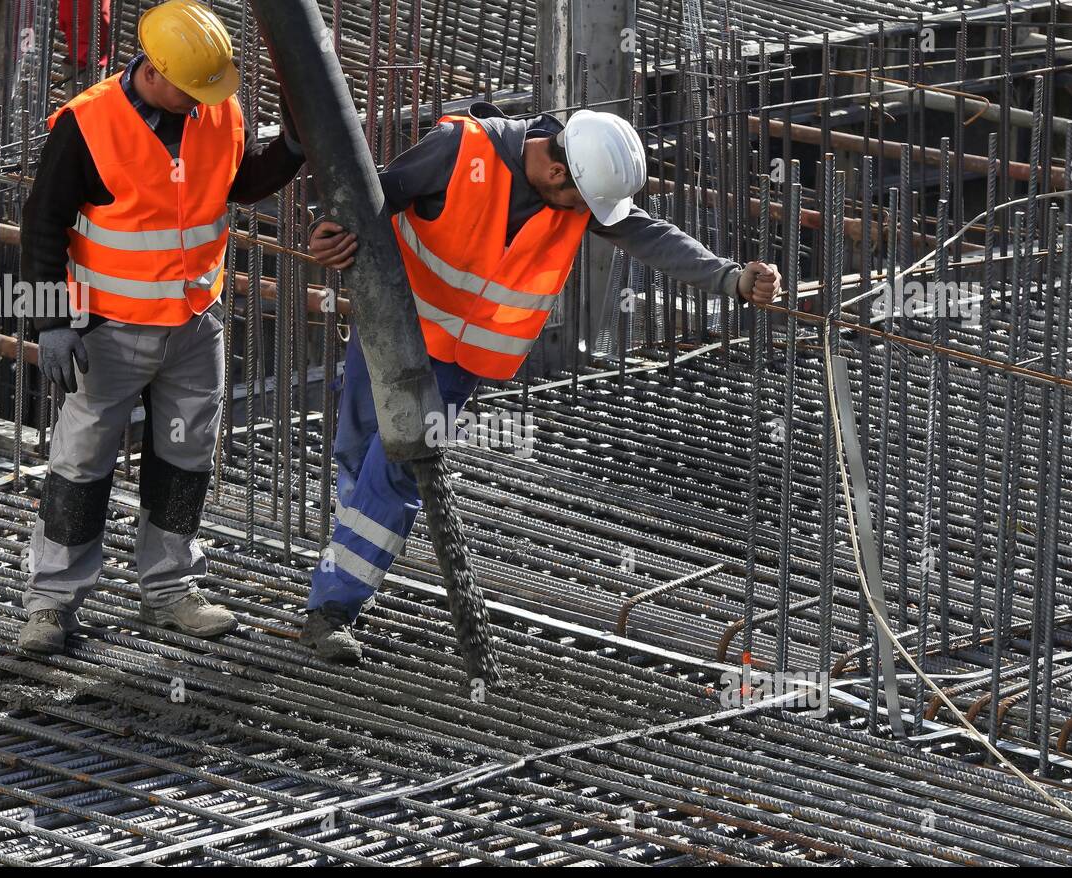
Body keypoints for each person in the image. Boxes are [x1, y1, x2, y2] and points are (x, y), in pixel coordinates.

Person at [299, 103, 783, 664]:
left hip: (459, 361)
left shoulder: (575, 186)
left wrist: (728, 276)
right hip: (391, 327)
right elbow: (371, 196)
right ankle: (346, 563)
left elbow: (648, 235)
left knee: (398, 470)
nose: (588, 215)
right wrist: (328, 230)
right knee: (358, 462)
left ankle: (331, 608)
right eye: (582, 201)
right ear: (558, 173)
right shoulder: (459, 151)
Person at [17, 0, 343, 653]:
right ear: (155, 72)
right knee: (80, 465)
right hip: (106, 331)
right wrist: (50, 320)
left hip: (195, 325)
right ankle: (52, 604)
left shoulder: (214, 108)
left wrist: (292, 151)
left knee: (185, 459)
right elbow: (42, 224)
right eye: (190, 89)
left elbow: (237, 183)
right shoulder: (88, 124)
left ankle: (171, 590)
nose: (201, 101)